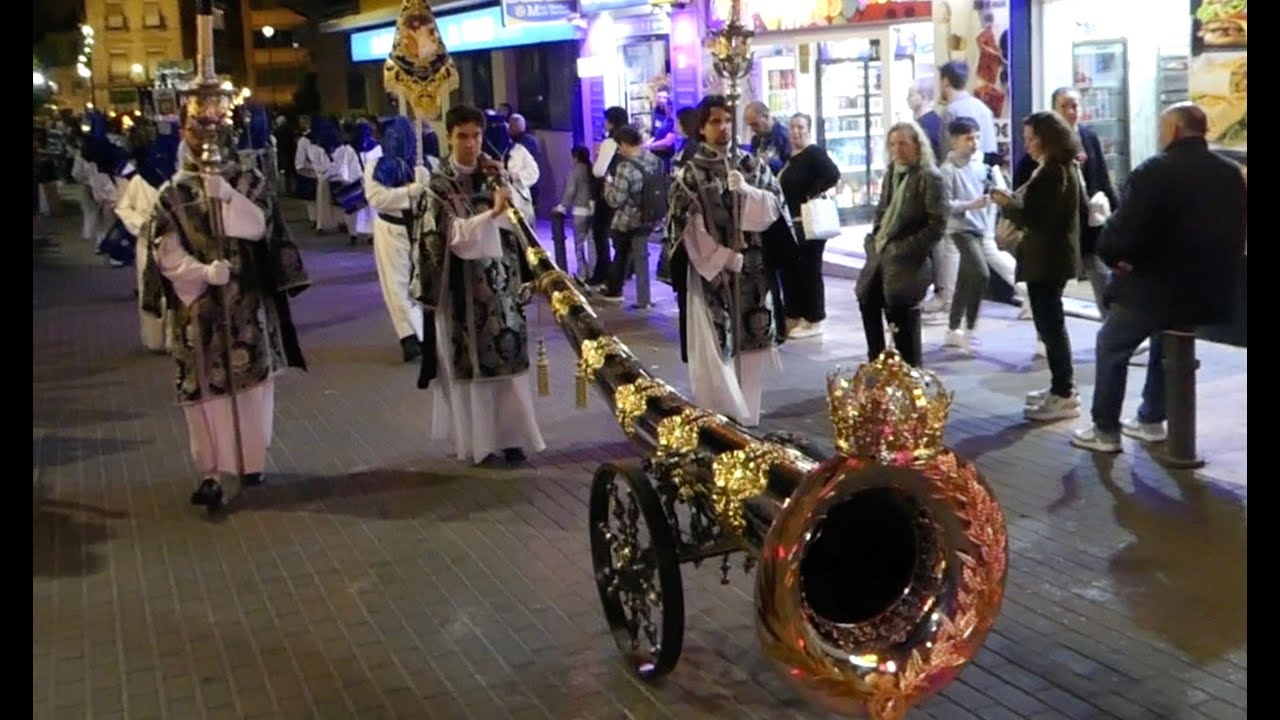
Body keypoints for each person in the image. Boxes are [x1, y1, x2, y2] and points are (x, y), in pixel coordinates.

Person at [141, 102, 308, 510]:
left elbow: (261, 229)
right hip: (197, 310)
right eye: (197, 127)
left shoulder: (248, 180)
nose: (205, 136)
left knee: (251, 392)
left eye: (214, 126)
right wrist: (197, 272)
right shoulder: (173, 193)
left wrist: (230, 197)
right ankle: (211, 472)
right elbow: (164, 249)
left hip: (247, 305)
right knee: (205, 397)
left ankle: (251, 462)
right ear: (182, 131)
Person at [1070, 103, 1246, 452]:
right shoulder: (1231, 173)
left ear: (1176, 131)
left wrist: (1115, 256)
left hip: (1155, 287)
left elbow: (1124, 232)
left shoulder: (1155, 171)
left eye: (1164, 127)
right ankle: (1151, 419)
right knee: (1166, 345)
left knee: (1112, 344)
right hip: (1208, 290)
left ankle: (1105, 430)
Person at [415, 104, 546, 465]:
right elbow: (449, 237)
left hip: (502, 287)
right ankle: (481, 444)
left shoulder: (494, 175)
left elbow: (522, 220)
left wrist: (507, 198)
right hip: (461, 293)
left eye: (476, 136)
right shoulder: (439, 187)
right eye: (462, 137)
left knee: (508, 365)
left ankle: (513, 437)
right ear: (449, 137)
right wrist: (491, 214)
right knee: (473, 370)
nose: (471, 145)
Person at [669, 95, 787, 428]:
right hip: (714, 274)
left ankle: (748, 415)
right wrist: (722, 258)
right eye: (714, 122)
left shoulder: (751, 164)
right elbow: (688, 228)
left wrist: (749, 192)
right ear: (702, 129)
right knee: (718, 346)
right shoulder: (690, 173)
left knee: (750, 344)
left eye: (726, 121)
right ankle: (722, 415)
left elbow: (777, 207)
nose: (722, 128)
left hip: (752, 271)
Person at [991, 111, 1083, 421]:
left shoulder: (1053, 172)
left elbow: (1035, 215)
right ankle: (1061, 388)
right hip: (1051, 258)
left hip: (1047, 260)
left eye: (1031, 138)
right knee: (1050, 325)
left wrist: (1006, 202)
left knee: (1051, 327)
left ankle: (1064, 392)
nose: (1027, 145)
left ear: (1047, 138)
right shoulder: (1060, 169)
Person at [856, 120, 946, 368]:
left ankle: (910, 377)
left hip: (908, 263)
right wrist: (874, 240)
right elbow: (882, 212)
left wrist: (903, 249)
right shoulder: (891, 174)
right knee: (867, 301)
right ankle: (877, 367)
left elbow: (937, 225)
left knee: (903, 320)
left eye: (903, 144)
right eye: (893, 144)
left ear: (917, 145)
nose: (897, 149)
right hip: (880, 255)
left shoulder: (929, 177)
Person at [939, 116, 1006, 353]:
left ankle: (953, 328)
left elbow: (991, 188)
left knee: (966, 279)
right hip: (960, 229)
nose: (974, 143)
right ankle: (969, 326)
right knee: (980, 272)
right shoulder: (947, 171)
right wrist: (971, 205)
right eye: (969, 138)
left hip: (979, 226)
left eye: (977, 137)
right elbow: (945, 204)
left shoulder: (979, 166)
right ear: (955, 141)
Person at [364, 117, 427, 363]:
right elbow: (377, 197)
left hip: (420, 230)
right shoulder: (376, 167)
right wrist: (410, 192)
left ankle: (424, 332)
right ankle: (411, 337)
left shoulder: (422, 164)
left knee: (421, 282)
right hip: (392, 230)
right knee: (397, 284)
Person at [599, 125, 664, 308]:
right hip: (650, 215)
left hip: (628, 219)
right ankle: (644, 298)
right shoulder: (655, 160)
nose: (619, 151)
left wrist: (608, 187)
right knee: (641, 256)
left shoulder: (625, 167)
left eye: (619, 147)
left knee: (621, 252)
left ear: (626, 144)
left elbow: (616, 200)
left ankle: (615, 290)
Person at [552, 146, 596, 284]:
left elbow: (571, 190)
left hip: (580, 210)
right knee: (591, 242)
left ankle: (582, 272)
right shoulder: (592, 169)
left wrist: (562, 206)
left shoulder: (576, 171)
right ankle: (593, 272)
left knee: (579, 243)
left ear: (575, 156)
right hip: (592, 210)